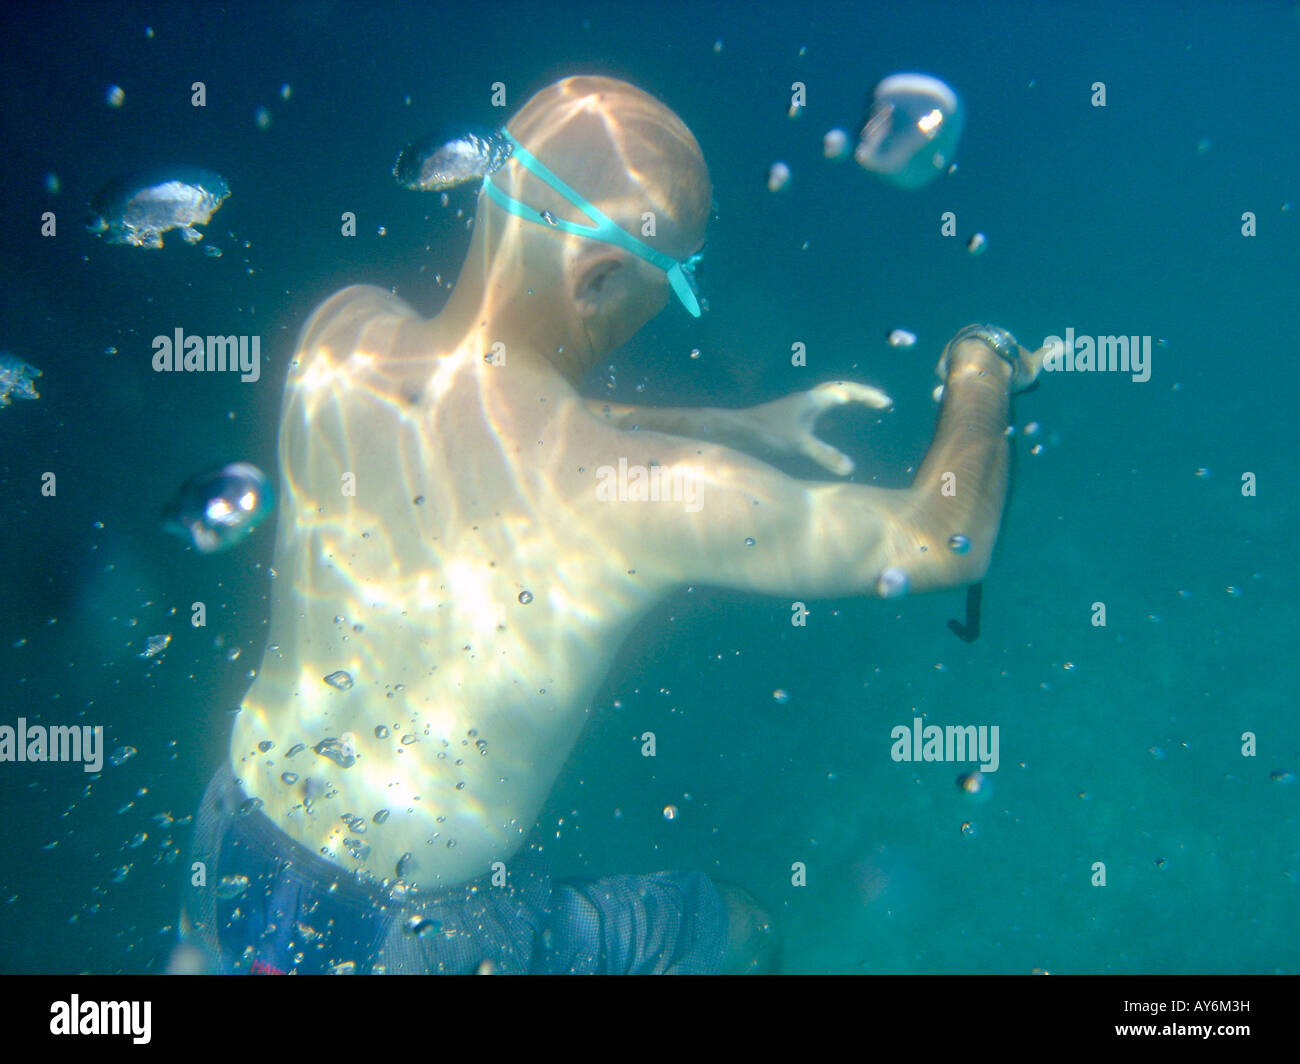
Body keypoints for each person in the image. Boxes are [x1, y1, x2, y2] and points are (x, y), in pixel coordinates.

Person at [176, 75, 1044, 975]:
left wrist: (736, 429)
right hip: (422, 942)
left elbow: (489, 429)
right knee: (738, 932)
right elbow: (944, 542)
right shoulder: (650, 498)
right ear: (599, 280)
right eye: (686, 277)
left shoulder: (342, 333)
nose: (683, 298)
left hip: (232, 843)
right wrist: (982, 364)